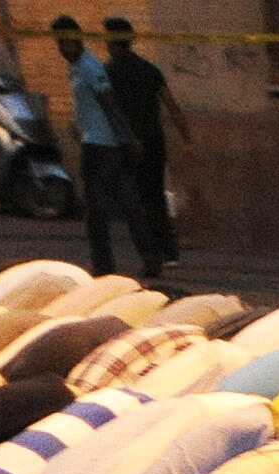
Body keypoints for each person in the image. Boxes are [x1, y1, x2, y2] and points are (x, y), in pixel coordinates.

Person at [99, 19, 187, 276]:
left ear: (111, 40)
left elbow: (108, 109)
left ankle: (152, 253)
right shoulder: (149, 69)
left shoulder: (108, 72)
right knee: (155, 196)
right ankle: (169, 251)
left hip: (127, 142)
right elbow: (171, 104)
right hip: (154, 140)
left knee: (134, 199)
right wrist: (187, 138)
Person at [52, 17, 135, 280]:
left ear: (78, 38)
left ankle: (104, 264)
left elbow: (109, 105)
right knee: (119, 201)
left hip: (104, 145)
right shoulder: (73, 68)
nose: (64, 48)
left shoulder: (90, 66)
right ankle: (141, 257)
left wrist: (129, 138)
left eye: (67, 41)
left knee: (98, 206)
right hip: (91, 140)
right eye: (59, 43)